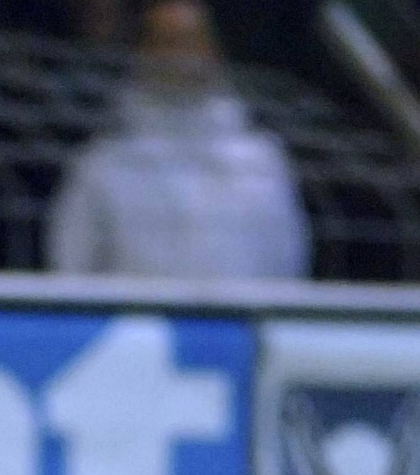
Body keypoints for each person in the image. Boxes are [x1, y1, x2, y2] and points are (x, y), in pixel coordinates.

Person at [46, 0, 309, 278]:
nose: (181, 57)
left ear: (214, 50)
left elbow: (288, 263)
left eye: (191, 41)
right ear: (142, 53)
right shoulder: (104, 164)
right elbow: (71, 268)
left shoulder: (262, 161)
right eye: (167, 42)